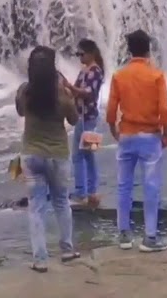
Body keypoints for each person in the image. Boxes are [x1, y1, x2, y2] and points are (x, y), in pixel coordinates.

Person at [105, 29, 167, 253]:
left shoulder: (119, 76)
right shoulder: (156, 76)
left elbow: (111, 110)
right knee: (151, 187)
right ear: (148, 50)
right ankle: (150, 237)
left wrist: (113, 129)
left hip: (126, 135)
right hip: (150, 137)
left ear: (129, 50)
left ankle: (124, 234)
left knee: (124, 185)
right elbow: (164, 110)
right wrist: (166, 133)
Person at [15, 46, 81, 272]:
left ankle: (40, 259)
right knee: (61, 202)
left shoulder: (25, 92)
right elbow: (74, 120)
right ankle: (67, 250)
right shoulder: (61, 95)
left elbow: (20, 111)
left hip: (32, 156)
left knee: (36, 207)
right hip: (58, 156)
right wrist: (70, 96)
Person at [69, 39, 106, 207]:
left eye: (81, 54)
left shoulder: (95, 71)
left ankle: (83, 192)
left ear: (90, 53)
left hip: (88, 119)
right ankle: (89, 191)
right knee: (86, 155)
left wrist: (71, 88)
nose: (79, 57)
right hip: (82, 118)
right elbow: (76, 91)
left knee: (81, 155)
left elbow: (88, 93)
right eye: (78, 54)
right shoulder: (84, 71)